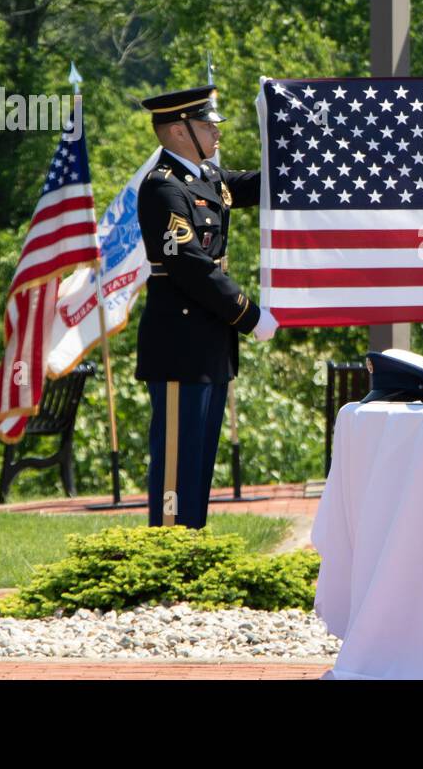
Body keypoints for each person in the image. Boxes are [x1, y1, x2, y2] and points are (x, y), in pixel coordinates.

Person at [135, 84, 277, 529]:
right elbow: (190, 265)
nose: (217, 133)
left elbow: (253, 186)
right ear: (178, 131)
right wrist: (249, 314)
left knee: (198, 459)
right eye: (206, 125)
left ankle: (191, 548)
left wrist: (294, 150)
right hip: (180, 345)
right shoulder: (164, 189)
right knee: (178, 462)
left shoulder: (205, 178)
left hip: (210, 342)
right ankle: (170, 552)